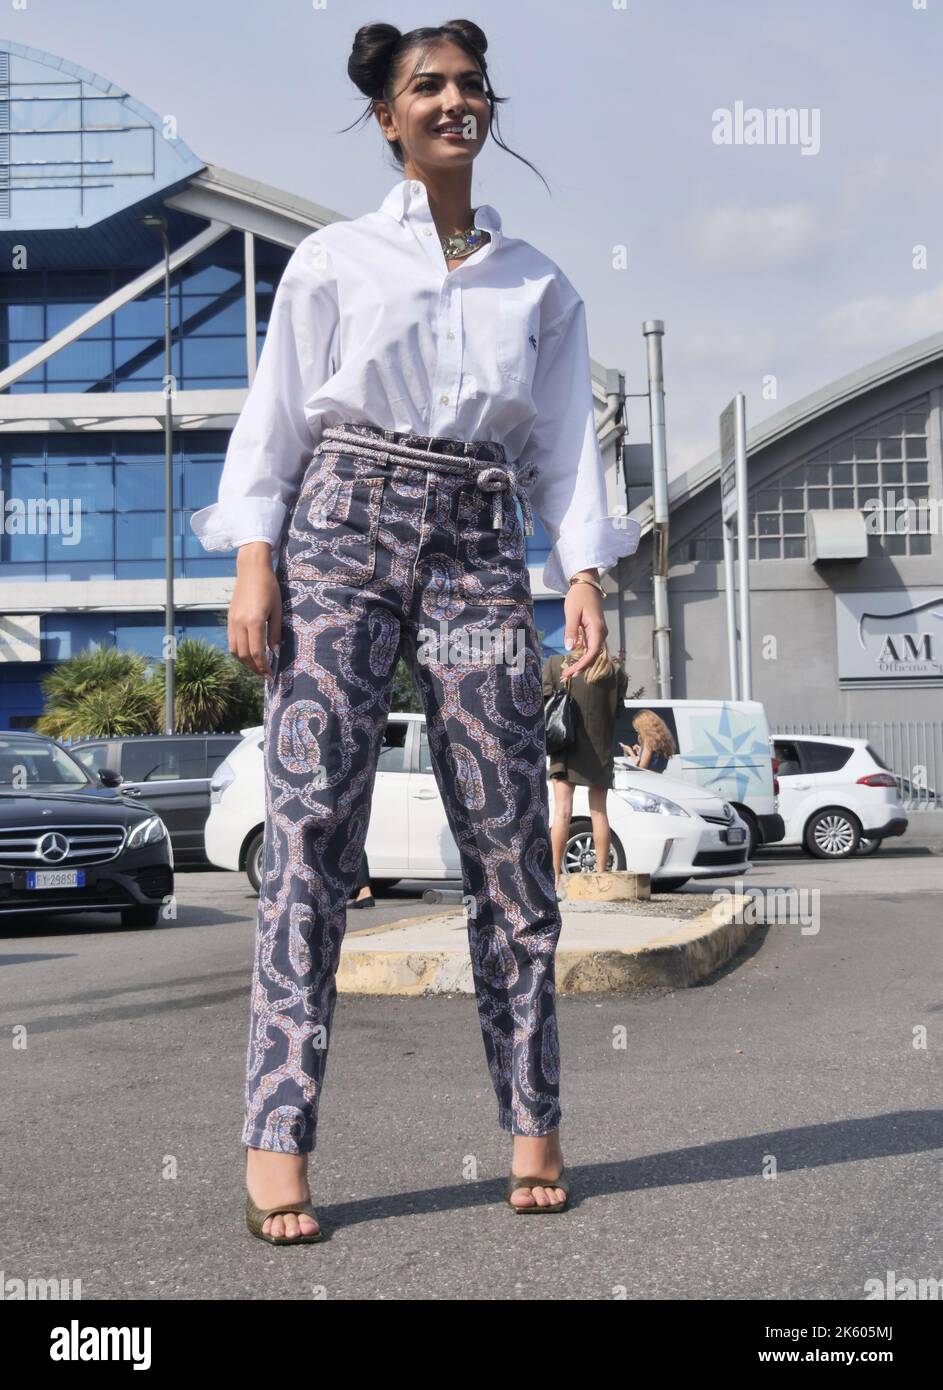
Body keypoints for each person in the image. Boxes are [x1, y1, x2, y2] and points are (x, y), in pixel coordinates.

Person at [190, 19, 640, 1243]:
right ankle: (276, 1138)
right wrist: (253, 558)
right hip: (338, 525)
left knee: (507, 837)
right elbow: (276, 419)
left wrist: (582, 570)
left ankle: (534, 1124)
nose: (454, 101)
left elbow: (559, 447)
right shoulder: (335, 261)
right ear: (387, 118)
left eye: (469, 85)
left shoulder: (539, 282)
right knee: (308, 834)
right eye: (426, 87)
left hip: (480, 543)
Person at [543, 640, 628, 886]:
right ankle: (601, 874)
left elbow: (544, 702)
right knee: (599, 813)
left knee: (562, 812)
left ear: (577, 640)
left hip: (565, 746)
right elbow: (619, 712)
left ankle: (554, 876)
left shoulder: (557, 665)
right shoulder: (615, 673)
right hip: (600, 750)